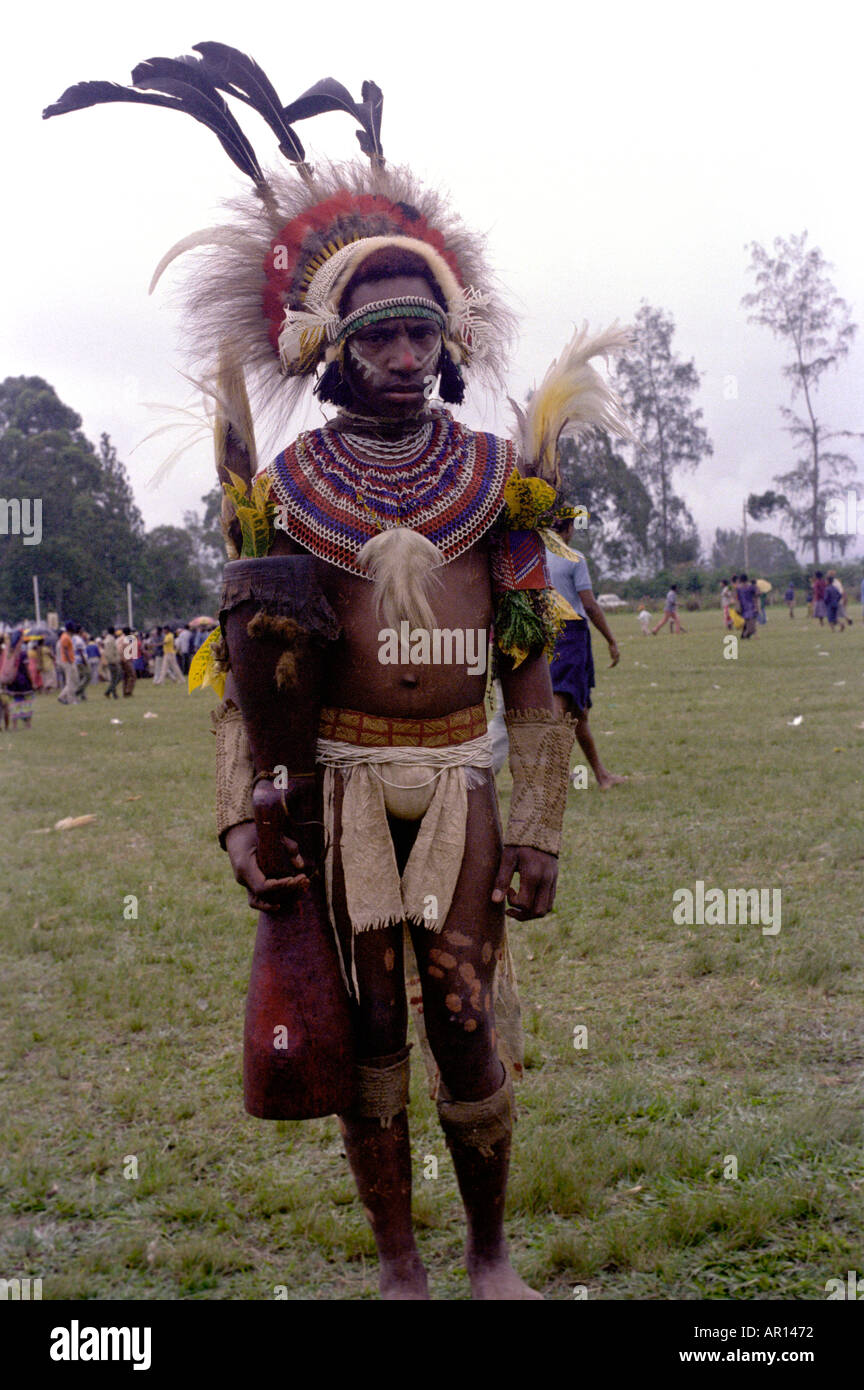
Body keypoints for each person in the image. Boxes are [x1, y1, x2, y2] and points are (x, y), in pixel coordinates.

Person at [46, 41, 634, 1300]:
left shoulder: (499, 481)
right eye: (381, 334)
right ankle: (401, 1265)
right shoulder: (285, 494)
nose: (408, 353)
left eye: (425, 329)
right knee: (369, 1034)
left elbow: (529, 673)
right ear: (332, 346)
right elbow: (244, 686)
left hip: (465, 787)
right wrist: (234, 821)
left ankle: (488, 1254)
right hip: (340, 791)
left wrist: (538, 827)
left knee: (466, 1023)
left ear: (451, 339)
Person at [543, 516, 625, 790]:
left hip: (545, 632)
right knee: (562, 705)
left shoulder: (535, 557)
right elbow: (589, 604)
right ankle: (553, 774)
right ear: (566, 529)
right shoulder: (574, 558)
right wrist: (611, 640)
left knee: (578, 711)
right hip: (572, 634)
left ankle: (600, 774)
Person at [56, 621, 78, 704]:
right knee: (70, 681)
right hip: (67, 661)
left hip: (69, 660)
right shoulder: (65, 637)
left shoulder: (67, 636)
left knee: (74, 680)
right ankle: (71, 699)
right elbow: (65, 650)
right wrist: (69, 660)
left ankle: (62, 696)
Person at [102, 628, 122, 698]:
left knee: (115, 678)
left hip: (111, 660)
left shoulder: (107, 639)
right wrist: (113, 661)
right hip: (112, 661)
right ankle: (109, 692)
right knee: (116, 678)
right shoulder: (111, 640)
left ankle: (112, 693)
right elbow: (110, 652)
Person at [738, 572, 758, 638]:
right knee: (750, 626)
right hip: (748, 608)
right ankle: (745, 635)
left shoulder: (742, 588)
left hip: (747, 608)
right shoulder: (747, 587)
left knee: (750, 625)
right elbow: (758, 593)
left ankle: (745, 635)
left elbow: (738, 599)